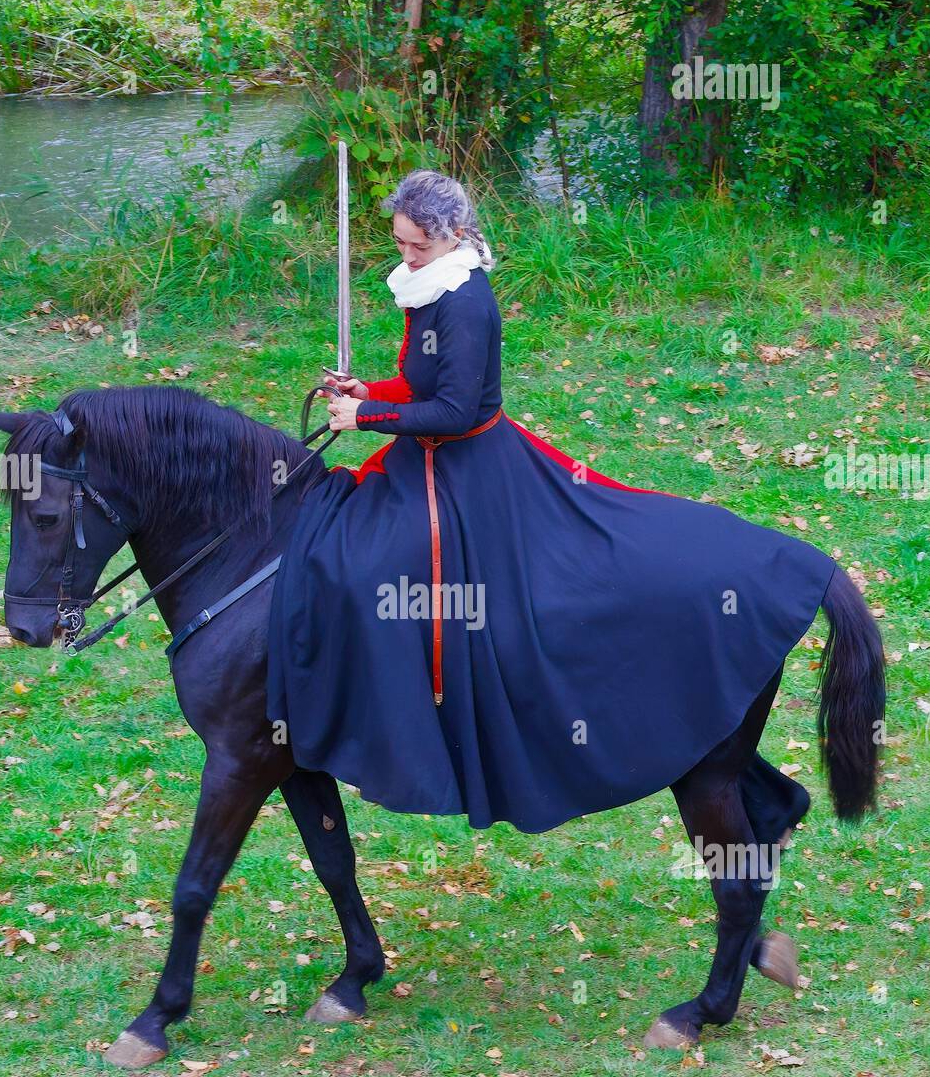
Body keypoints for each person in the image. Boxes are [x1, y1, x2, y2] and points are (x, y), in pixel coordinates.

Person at [266, 169, 836, 834]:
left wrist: (363, 419)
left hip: (469, 470)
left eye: (415, 245)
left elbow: (452, 409)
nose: (405, 257)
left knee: (379, 567)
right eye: (399, 244)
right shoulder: (427, 285)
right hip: (425, 461)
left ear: (449, 236)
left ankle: (432, 705)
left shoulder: (466, 300)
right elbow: (423, 381)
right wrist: (372, 390)